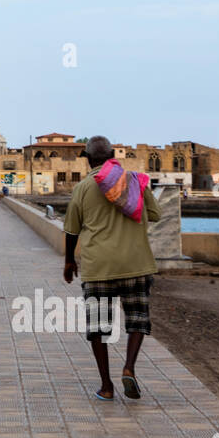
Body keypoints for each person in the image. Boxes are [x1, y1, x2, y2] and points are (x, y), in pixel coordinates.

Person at [62, 136, 161, 401]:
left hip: (99, 267)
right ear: (111, 156)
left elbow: (72, 229)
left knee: (98, 328)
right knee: (137, 319)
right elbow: (155, 214)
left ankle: (106, 386)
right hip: (136, 264)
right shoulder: (135, 180)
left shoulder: (83, 188)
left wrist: (69, 261)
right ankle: (129, 366)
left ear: (88, 158)